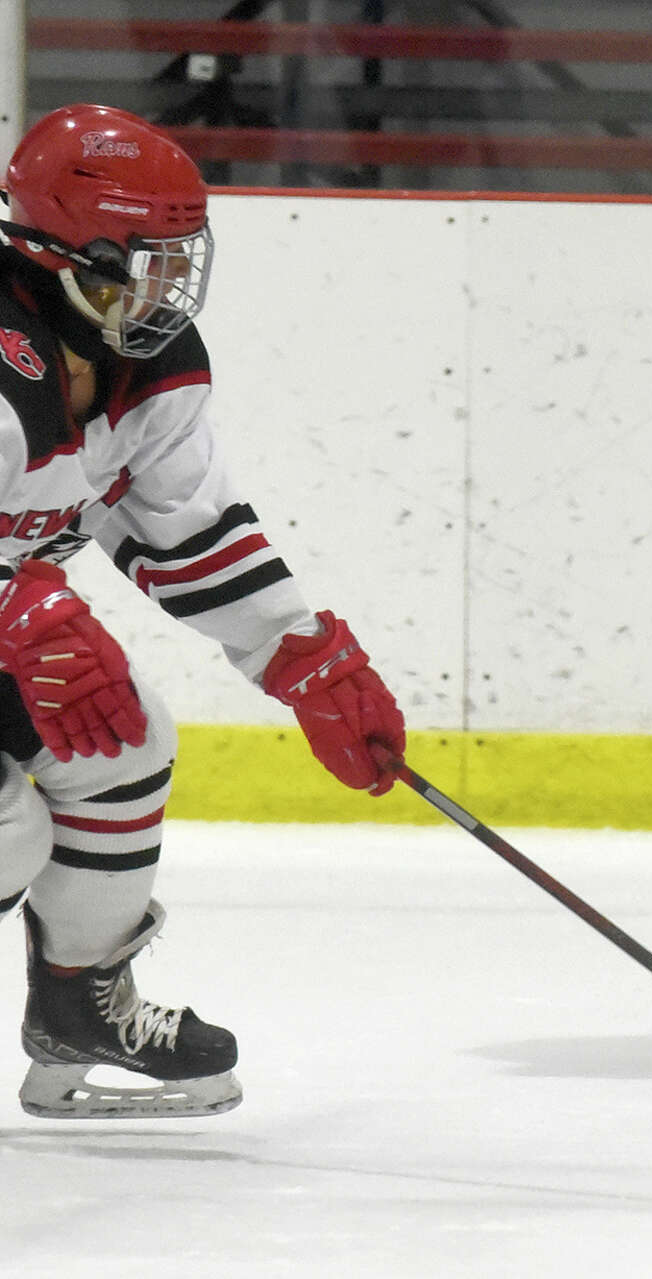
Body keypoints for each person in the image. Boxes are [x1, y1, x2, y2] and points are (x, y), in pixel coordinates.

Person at [0, 104, 407, 1118]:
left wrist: (302, 655)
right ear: (57, 257)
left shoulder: (146, 365)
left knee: (118, 746)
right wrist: (17, 605)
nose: (166, 292)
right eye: (139, 265)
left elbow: (188, 528)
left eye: (178, 262)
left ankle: (75, 1011)